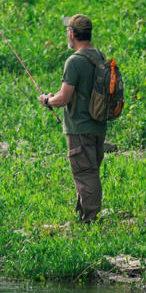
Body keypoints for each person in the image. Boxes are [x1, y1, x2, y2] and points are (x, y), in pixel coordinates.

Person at [39, 14, 107, 223]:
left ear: (72, 33)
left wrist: (48, 100)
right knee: (88, 171)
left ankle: (90, 221)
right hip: (98, 125)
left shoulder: (74, 61)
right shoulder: (99, 56)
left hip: (79, 128)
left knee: (86, 174)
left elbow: (64, 98)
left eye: (68, 31)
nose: (67, 35)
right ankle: (82, 215)